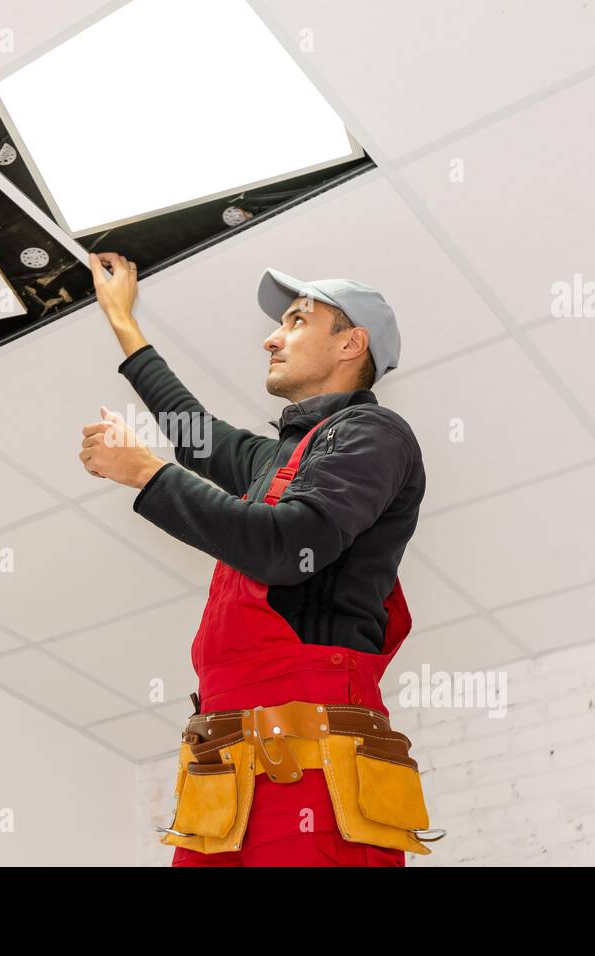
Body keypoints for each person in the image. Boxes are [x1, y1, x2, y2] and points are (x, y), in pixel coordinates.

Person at [79, 251, 428, 867]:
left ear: (352, 343)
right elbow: (190, 429)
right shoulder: (273, 462)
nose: (272, 337)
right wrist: (122, 319)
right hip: (220, 767)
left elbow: (286, 547)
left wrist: (147, 474)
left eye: (296, 320)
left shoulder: (373, 435)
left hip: (316, 762)